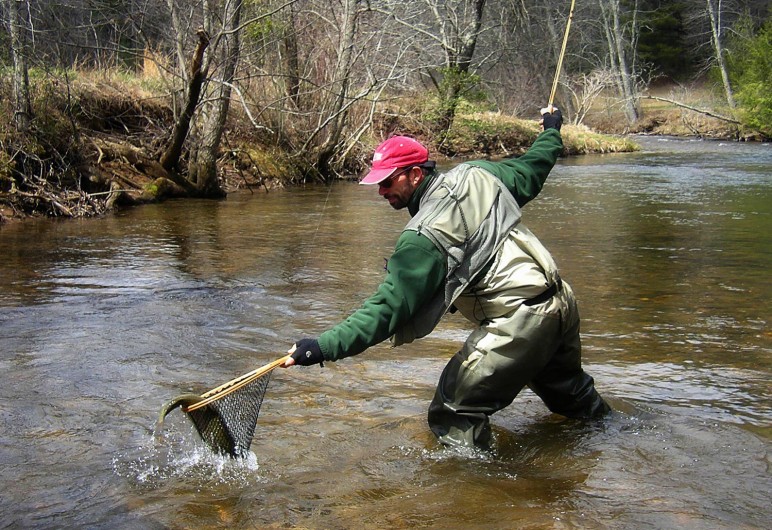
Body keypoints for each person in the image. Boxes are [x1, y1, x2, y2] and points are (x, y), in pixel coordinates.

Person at [283, 106, 610, 449]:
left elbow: (387, 310)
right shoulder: (478, 174)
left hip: (521, 321)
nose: (380, 192)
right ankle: (616, 443)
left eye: (387, 181)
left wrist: (322, 347)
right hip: (560, 304)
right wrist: (551, 130)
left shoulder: (422, 236)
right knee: (573, 400)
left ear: (415, 175)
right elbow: (535, 166)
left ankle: (480, 496)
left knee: (453, 411)